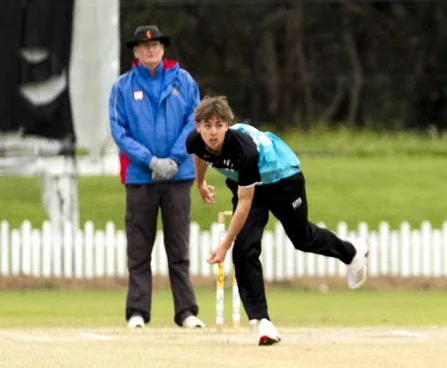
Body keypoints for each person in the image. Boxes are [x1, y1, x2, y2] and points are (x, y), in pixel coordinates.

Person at [187, 95, 369, 345]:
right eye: (207, 125)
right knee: (245, 249)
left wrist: (224, 244)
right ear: (198, 127)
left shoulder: (244, 150)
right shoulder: (195, 141)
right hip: (251, 186)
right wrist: (199, 183)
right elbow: (200, 156)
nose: (213, 132)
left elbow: (245, 202)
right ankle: (263, 322)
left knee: (302, 238)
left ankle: (352, 252)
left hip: (283, 178)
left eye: (219, 125)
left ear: (228, 125)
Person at [108, 24, 204, 330]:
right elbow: (119, 131)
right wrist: (150, 160)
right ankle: (137, 311)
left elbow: (195, 120)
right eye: (144, 46)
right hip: (140, 176)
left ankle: (186, 312)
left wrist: (174, 158)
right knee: (139, 248)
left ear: (163, 49)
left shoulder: (184, 80)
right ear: (136, 52)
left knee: (179, 247)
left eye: (156, 45)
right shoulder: (122, 87)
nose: (151, 50)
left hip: (178, 175)